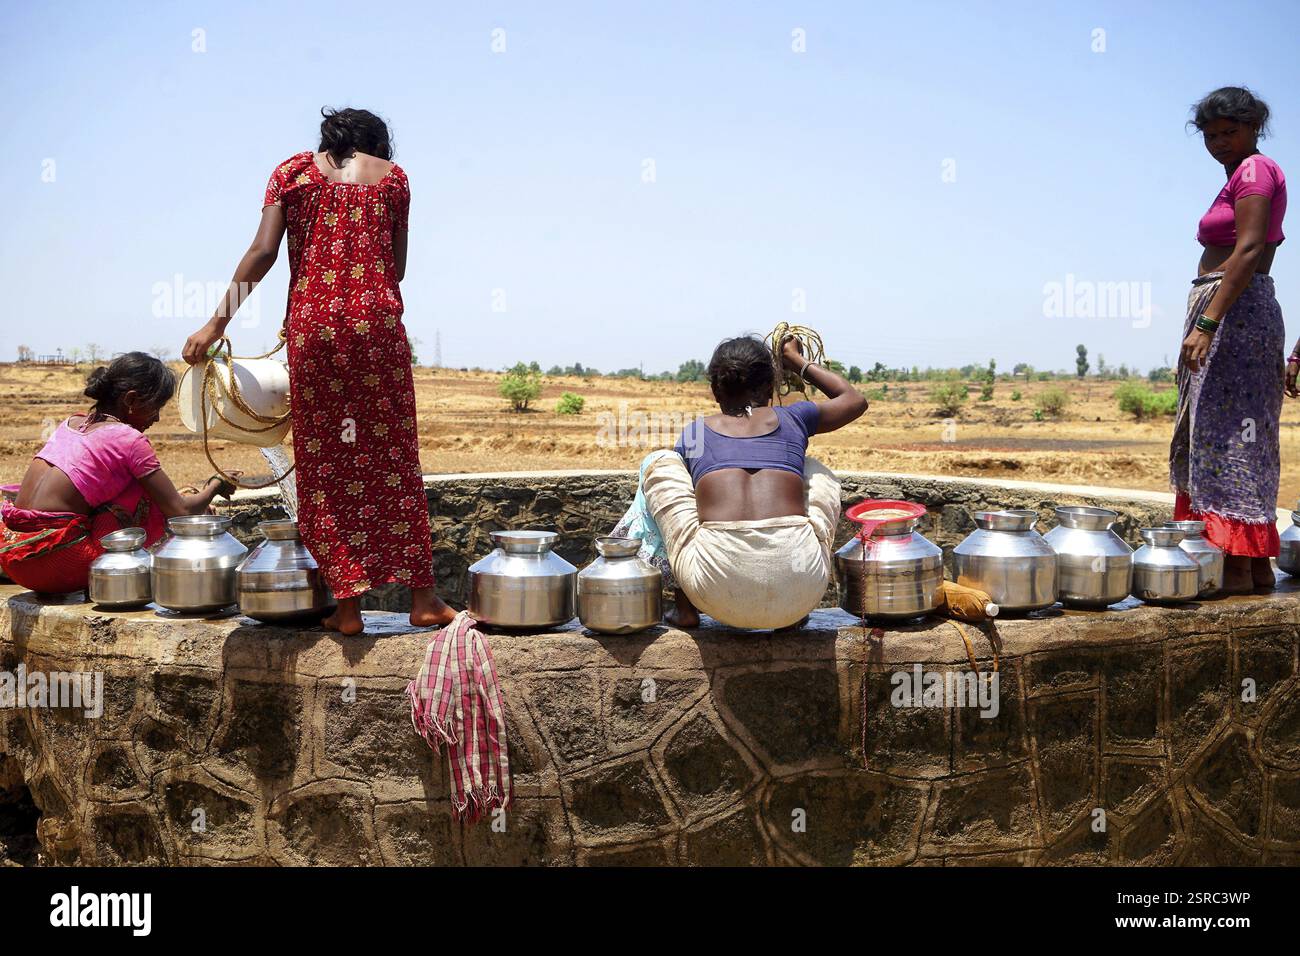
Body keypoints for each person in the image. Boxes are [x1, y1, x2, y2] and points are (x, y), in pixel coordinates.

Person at [182, 107, 454, 635]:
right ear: (377, 145)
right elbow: (395, 268)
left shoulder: (291, 173)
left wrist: (215, 326)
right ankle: (423, 598)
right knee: (393, 455)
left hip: (315, 331)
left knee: (324, 463)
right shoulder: (393, 180)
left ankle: (347, 608)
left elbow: (262, 252)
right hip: (376, 330)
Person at [612, 334, 867, 629]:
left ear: (715, 391)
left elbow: (686, 508)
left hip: (713, 591)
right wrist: (796, 361)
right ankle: (788, 611)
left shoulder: (696, 432)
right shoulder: (795, 419)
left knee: (662, 464)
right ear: (770, 386)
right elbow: (855, 401)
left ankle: (685, 609)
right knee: (814, 470)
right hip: (802, 592)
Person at [1170, 86, 1287, 594]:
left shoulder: (1255, 171)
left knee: (1227, 440)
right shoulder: (1241, 175)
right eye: (1211, 135)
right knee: (1232, 437)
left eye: (1229, 132)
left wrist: (1209, 322)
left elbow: (1250, 247)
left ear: (1253, 127)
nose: (1219, 142)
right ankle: (1254, 567)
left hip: (1235, 318)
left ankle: (1233, 568)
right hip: (1234, 311)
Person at [0, 353, 233, 594]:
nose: (157, 418)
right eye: (155, 408)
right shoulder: (128, 439)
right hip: (57, 562)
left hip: (13, 554)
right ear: (131, 400)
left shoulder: (71, 423)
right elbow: (180, 512)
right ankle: (132, 572)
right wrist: (216, 484)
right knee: (148, 495)